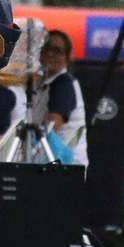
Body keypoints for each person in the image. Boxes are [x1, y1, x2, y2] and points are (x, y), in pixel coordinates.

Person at [41, 29, 88, 164]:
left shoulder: (64, 84)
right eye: (46, 48)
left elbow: (50, 127)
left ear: (66, 58)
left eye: (57, 51)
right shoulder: (43, 83)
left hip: (66, 163)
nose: (50, 54)